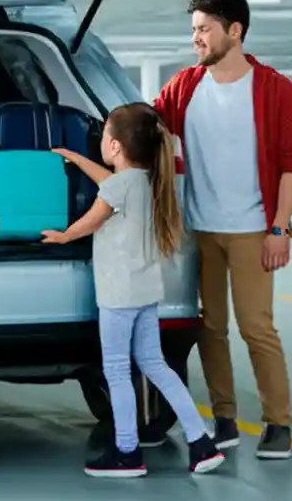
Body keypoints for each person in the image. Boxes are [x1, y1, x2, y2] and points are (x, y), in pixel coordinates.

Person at [153, 0, 292, 459]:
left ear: (234, 31)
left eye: (204, 29)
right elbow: (150, 126)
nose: (196, 38)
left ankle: (278, 424)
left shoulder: (274, 89)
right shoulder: (184, 87)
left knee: (256, 326)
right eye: (194, 30)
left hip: (252, 228)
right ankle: (224, 418)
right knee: (209, 326)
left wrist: (280, 228)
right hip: (201, 228)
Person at [44, 103, 225, 478]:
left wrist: (63, 236)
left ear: (113, 147)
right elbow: (108, 185)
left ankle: (127, 451)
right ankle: (200, 442)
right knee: (155, 364)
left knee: (116, 370)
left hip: (118, 295)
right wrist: (77, 159)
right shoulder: (146, 180)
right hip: (144, 291)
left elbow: (92, 219)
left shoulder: (118, 188)